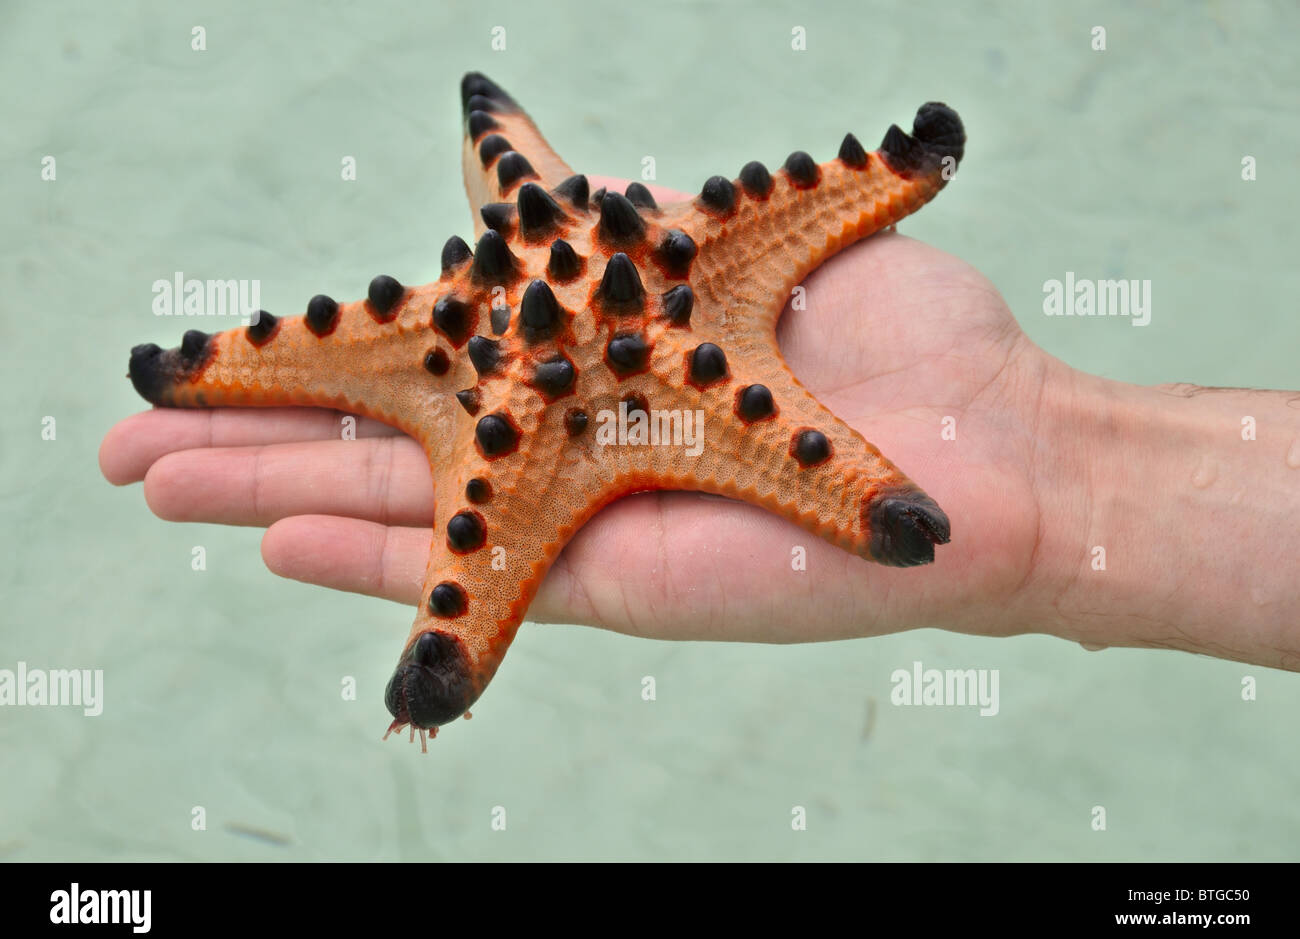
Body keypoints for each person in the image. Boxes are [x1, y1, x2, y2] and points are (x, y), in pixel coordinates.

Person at [98, 178, 1300, 672]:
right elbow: (519, 172)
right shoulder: (479, 323)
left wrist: (891, 170)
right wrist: (202, 370)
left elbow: (523, 174)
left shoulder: (674, 295)